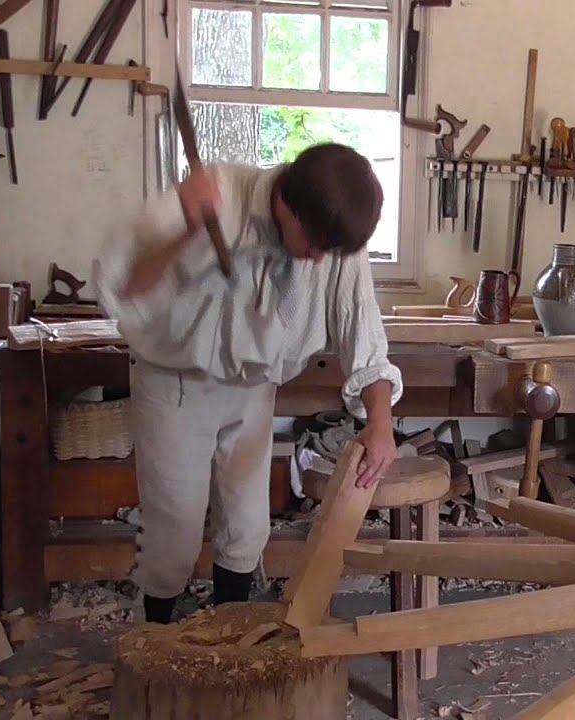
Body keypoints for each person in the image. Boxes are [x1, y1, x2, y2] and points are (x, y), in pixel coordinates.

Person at [93, 143, 402, 624]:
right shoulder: (216, 196)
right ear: (287, 206)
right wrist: (187, 234)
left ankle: (229, 643)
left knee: (246, 528)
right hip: (177, 380)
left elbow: (364, 336)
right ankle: (152, 645)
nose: (321, 261)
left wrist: (381, 422)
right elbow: (121, 289)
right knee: (173, 538)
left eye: (331, 251)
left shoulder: (333, 238)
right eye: (315, 246)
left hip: (255, 386)